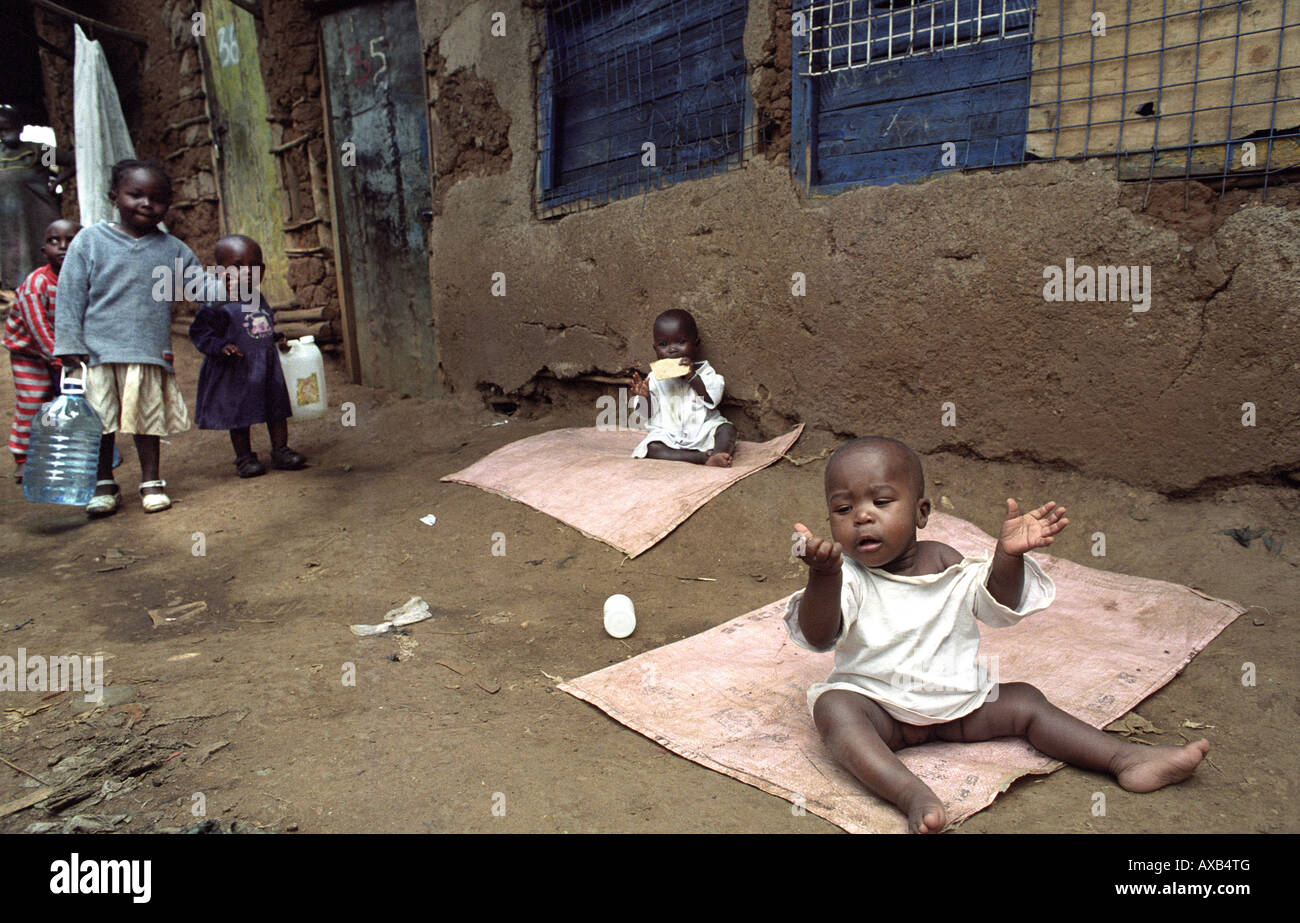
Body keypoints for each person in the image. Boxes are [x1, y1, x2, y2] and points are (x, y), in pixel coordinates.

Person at [788, 436, 1210, 833]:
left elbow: (997, 602)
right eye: (842, 510)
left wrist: (1007, 557)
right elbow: (820, 634)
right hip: (880, 708)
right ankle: (911, 794)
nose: (862, 516)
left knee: (1024, 700)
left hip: (962, 703)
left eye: (881, 501)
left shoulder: (950, 565)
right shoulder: (849, 577)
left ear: (921, 512)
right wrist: (823, 576)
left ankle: (1125, 758)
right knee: (835, 707)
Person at [54, 159, 208, 515]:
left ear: (167, 205)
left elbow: (198, 286)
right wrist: (68, 346)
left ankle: (151, 482)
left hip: (147, 352)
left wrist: (236, 285)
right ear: (114, 197)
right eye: (135, 194)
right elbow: (70, 294)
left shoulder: (171, 250)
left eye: (156, 199)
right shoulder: (90, 242)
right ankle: (103, 483)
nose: (146, 204)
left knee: (146, 419)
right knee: (99, 422)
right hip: (97, 353)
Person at [189, 234, 307, 478]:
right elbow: (200, 333)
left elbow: (258, 326)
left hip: (266, 370)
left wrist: (276, 338)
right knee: (239, 414)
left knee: (277, 410)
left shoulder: (258, 298)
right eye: (237, 267)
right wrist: (221, 346)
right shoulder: (216, 304)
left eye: (254, 266)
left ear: (262, 271)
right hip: (236, 370)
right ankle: (244, 457)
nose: (247, 273)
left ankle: (281, 451)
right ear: (220, 273)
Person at [5, 219, 81, 481]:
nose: (63, 247)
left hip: (64, 351)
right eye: (54, 241)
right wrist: (59, 357)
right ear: (43, 250)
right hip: (30, 351)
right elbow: (37, 326)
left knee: (73, 401)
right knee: (34, 399)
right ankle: (24, 455)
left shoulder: (85, 280)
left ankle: (74, 449)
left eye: (71, 240)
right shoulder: (36, 283)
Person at [629, 309, 737, 467]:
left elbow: (712, 399)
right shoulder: (653, 378)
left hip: (702, 431)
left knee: (727, 429)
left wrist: (692, 376)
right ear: (655, 349)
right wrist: (645, 397)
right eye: (663, 344)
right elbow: (646, 414)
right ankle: (700, 457)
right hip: (668, 435)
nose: (672, 349)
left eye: (680, 342)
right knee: (652, 447)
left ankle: (718, 453)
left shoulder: (705, 372)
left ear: (696, 344)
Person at [0, 104, 74, 290]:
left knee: (38, 250)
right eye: (0, 130)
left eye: (8, 128)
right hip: (7, 218)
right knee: (12, 253)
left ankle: (44, 289)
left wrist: (57, 182)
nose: (4, 133)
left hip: (37, 213)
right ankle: (16, 292)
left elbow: (72, 162)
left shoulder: (37, 152)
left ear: (20, 127)